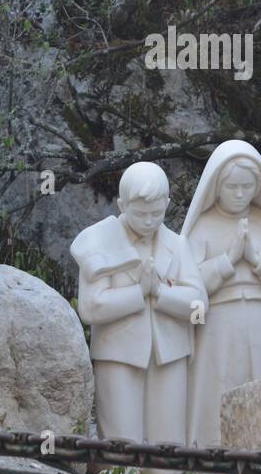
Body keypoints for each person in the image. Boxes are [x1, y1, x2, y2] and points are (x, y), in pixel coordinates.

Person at [72, 161, 206, 451]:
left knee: (167, 454)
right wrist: (138, 293)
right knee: (122, 450)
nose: (149, 221)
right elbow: (91, 308)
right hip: (118, 354)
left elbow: (199, 305)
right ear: (121, 205)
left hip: (169, 354)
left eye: (156, 213)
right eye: (140, 213)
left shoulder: (178, 245)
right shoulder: (97, 242)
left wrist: (160, 294)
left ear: (168, 205)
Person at [180, 141, 261, 447]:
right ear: (217, 186)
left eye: (247, 186)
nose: (239, 193)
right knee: (217, 388)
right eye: (232, 186)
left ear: (258, 187)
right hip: (219, 321)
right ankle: (212, 452)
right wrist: (229, 259)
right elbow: (188, 283)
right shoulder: (203, 227)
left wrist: (258, 259)